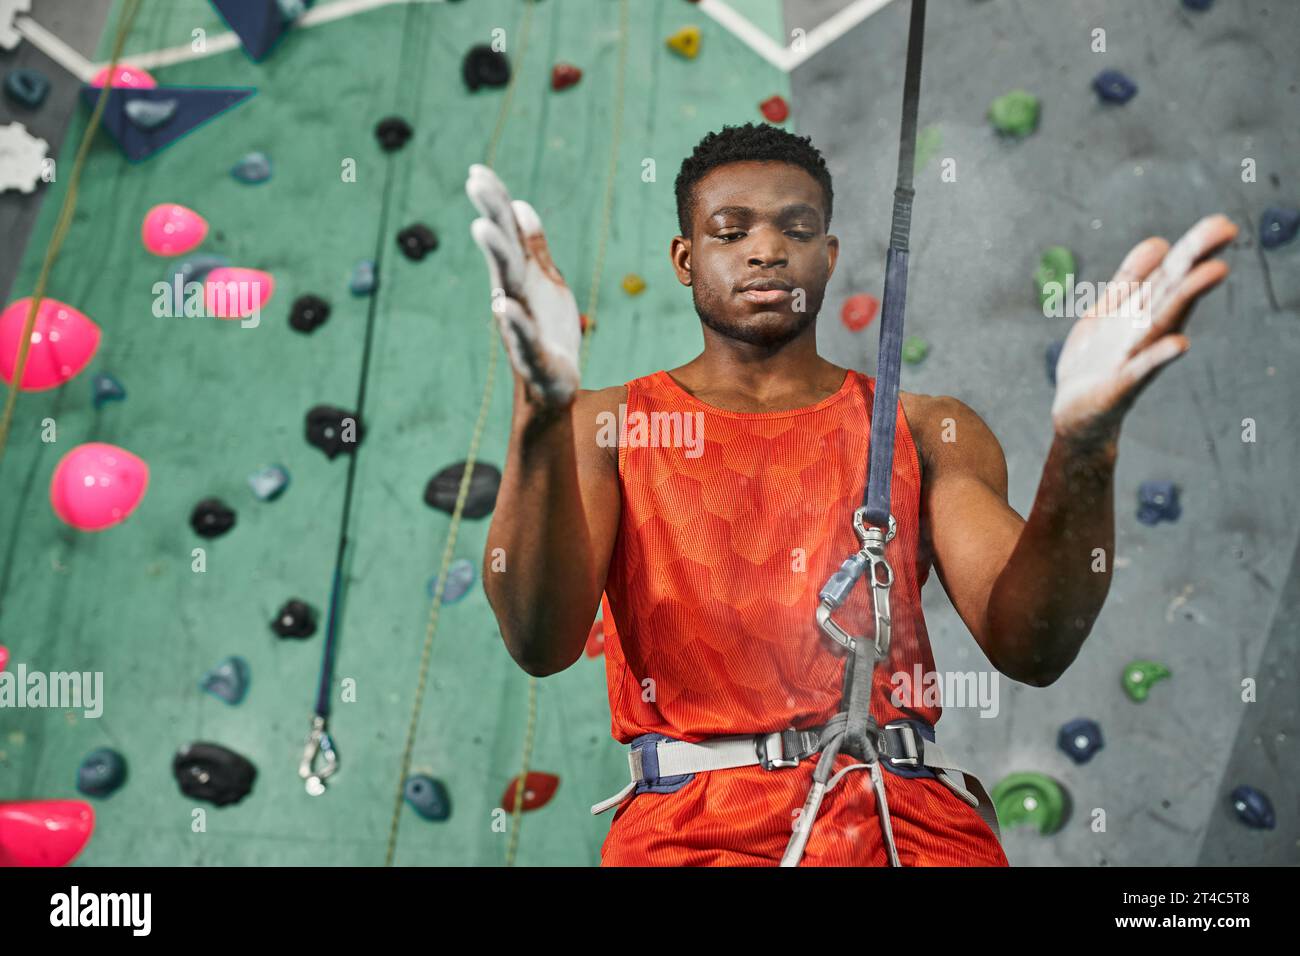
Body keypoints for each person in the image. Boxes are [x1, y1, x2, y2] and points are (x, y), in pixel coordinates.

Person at [468, 122, 1237, 866]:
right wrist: (539, 413)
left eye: (796, 229)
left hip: (909, 833)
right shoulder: (606, 426)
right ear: (684, 256)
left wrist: (1085, 447)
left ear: (829, 255)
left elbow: (1033, 647)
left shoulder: (927, 429)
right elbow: (539, 643)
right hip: (689, 839)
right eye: (730, 231)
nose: (766, 249)